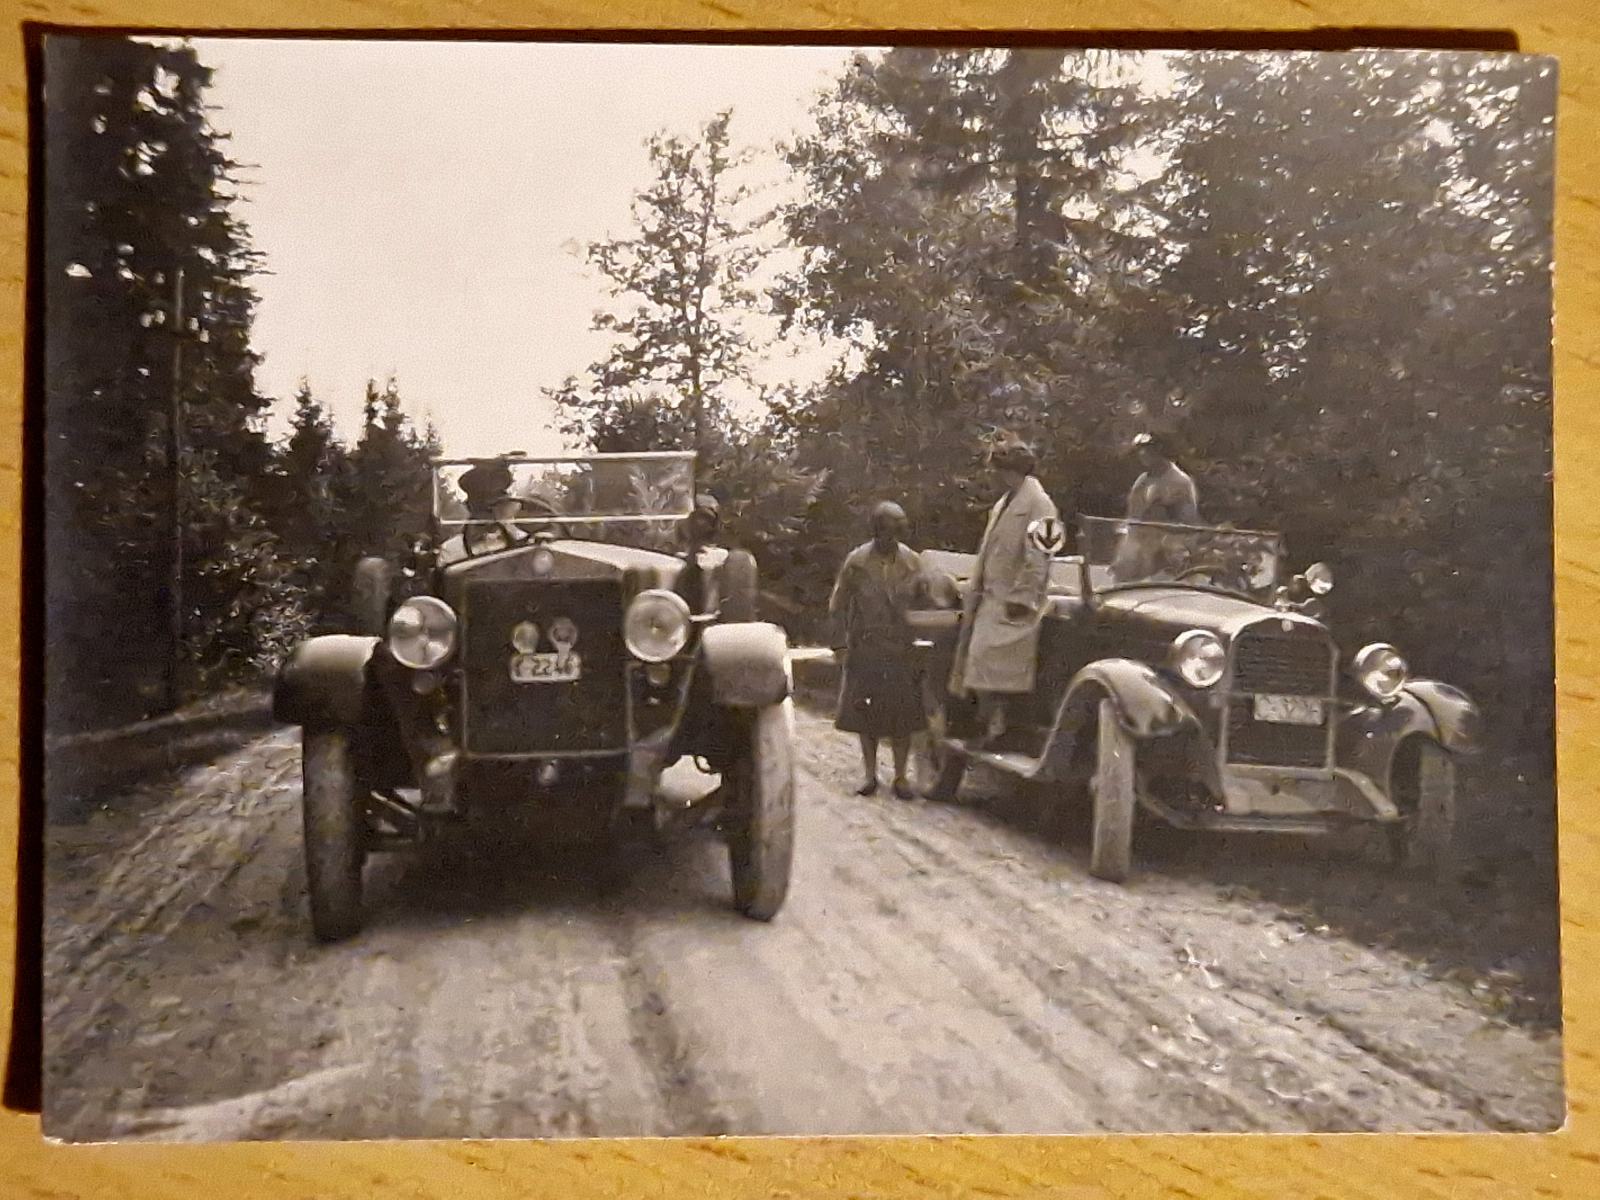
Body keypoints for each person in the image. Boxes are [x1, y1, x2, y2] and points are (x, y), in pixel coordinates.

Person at [947, 436, 1059, 747]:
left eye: (996, 470)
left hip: (1015, 602)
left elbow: (1041, 555)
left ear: (1010, 470)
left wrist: (1023, 598)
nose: (992, 477)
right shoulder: (1003, 503)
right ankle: (984, 728)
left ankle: (1005, 731)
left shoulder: (1040, 504)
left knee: (1002, 670)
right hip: (990, 598)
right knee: (979, 664)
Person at [829, 501, 930, 799]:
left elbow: (925, 603)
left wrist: (924, 641)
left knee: (903, 717)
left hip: (902, 648)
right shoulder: (857, 562)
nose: (891, 539)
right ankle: (870, 776)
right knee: (866, 715)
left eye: (896, 533)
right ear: (876, 531)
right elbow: (838, 605)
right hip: (867, 647)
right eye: (886, 532)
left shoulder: (913, 563)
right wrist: (839, 645)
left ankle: (901, 777)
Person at [1111, 432, 1200, 583]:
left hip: (1165, 557)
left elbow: (1187, 524)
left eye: (1148, 450)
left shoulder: (1179, 481)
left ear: (1159, 450)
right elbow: (1133, 518)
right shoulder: (1143, 481)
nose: (1143, 455)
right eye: (1140, 451)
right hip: (1137, 552)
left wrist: (1160, 521)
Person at [437, 460, 528, 564]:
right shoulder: (452, 550)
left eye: (497, 506)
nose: (488, 515)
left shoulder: (525, 543)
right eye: (484, 509)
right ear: (472, 508)